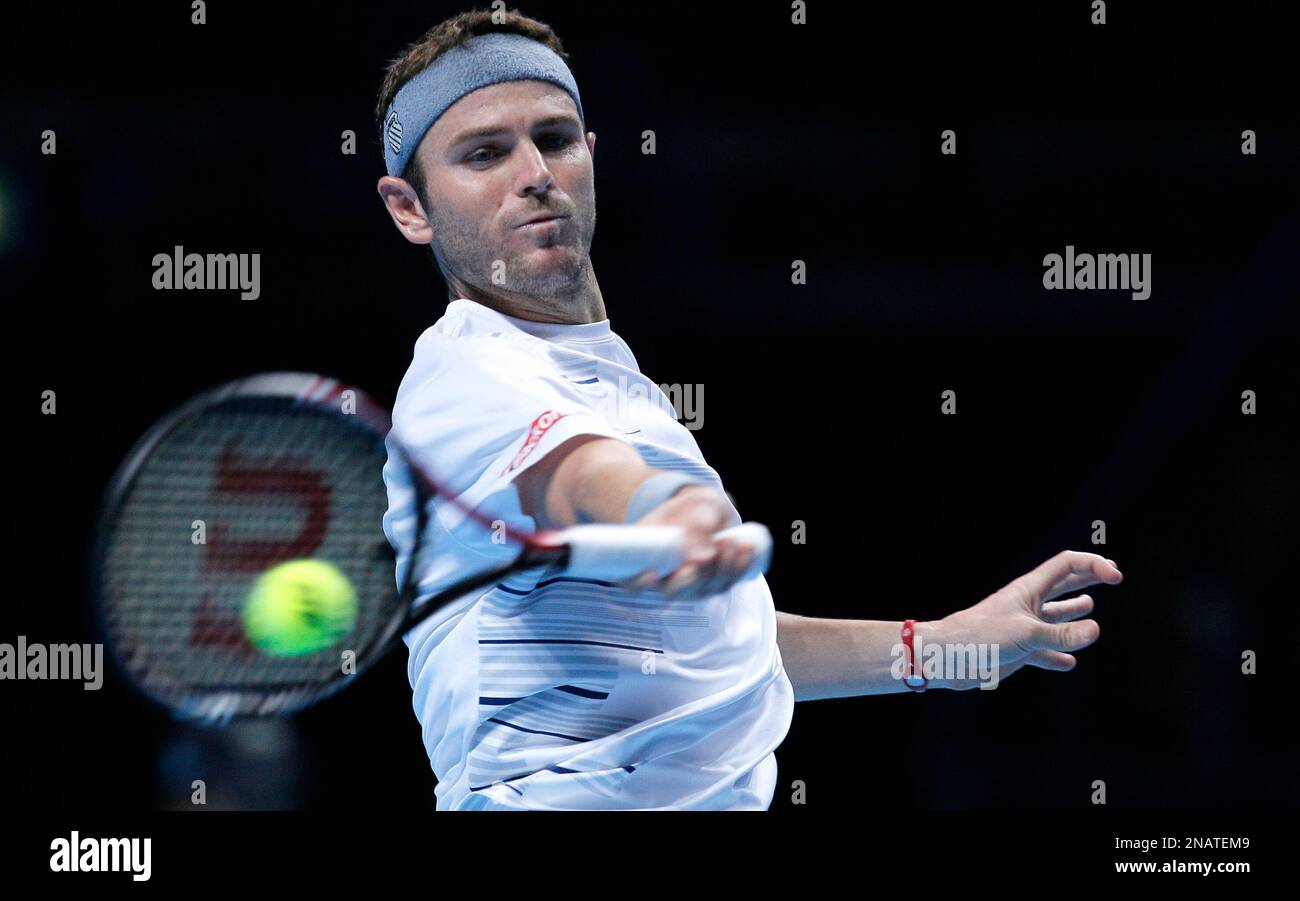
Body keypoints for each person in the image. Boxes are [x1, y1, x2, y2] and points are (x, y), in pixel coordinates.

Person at [375, 9, 1122, 811]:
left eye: (554, 140)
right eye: (484, 153)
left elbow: (719, 650)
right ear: (409, 208)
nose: (534, 172)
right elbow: (582, 474)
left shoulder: (614, 386)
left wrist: (941, 647)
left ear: (591, 156)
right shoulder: (466, 376)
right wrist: (665, 508)